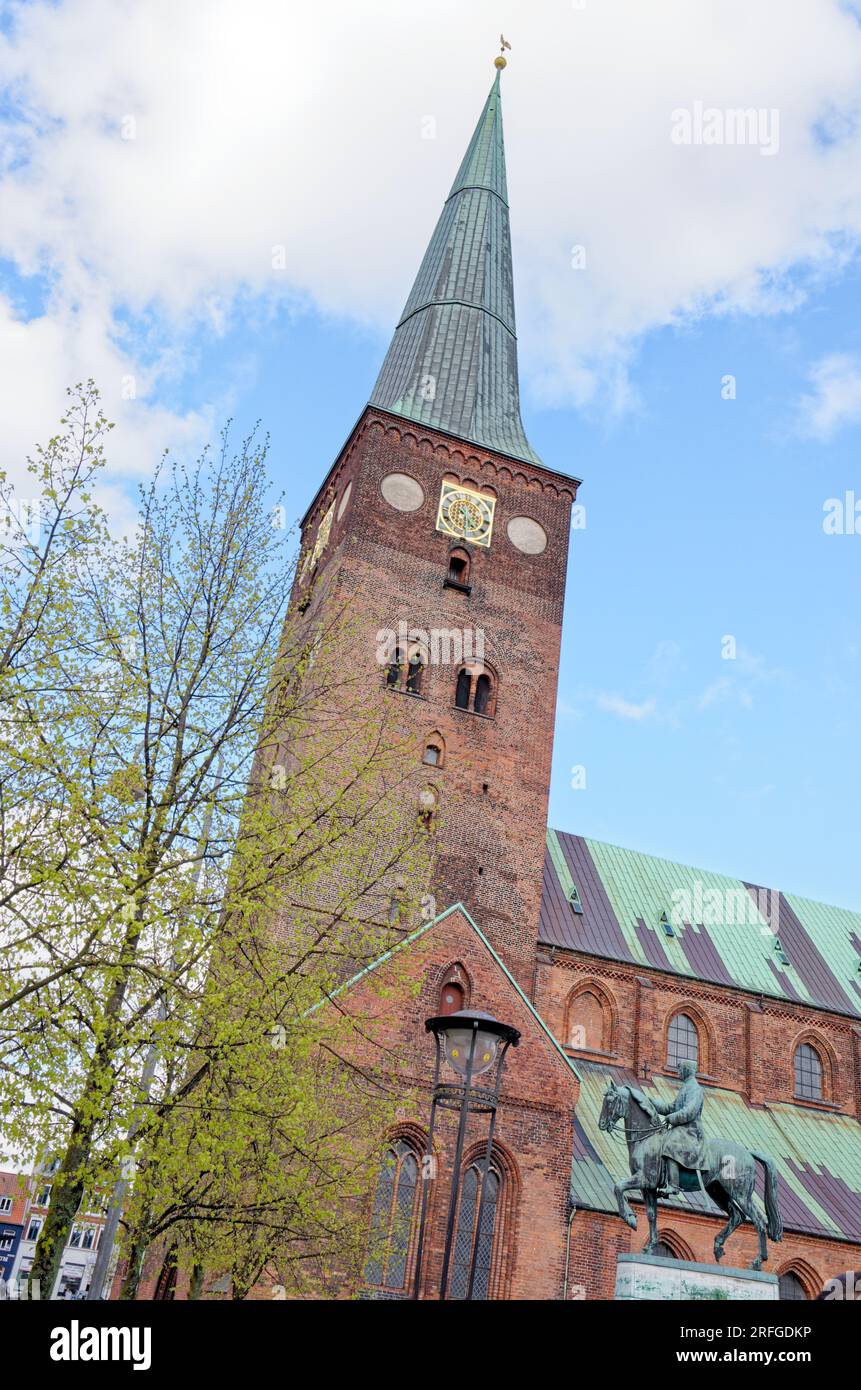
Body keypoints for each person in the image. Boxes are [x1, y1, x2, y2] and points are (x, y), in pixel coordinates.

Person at [650, 1059, 709, 1195]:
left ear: (686, 1070)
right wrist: (653, 1103)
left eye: (680, 1069)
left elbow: (689, 1112)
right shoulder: (686, 1087)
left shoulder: (695, 1088)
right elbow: (671, 1107)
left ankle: (674, 1186)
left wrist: (672, 1118)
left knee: (671, 1144)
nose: (678, 1072)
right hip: (682, 1129)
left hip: (691, 1130)